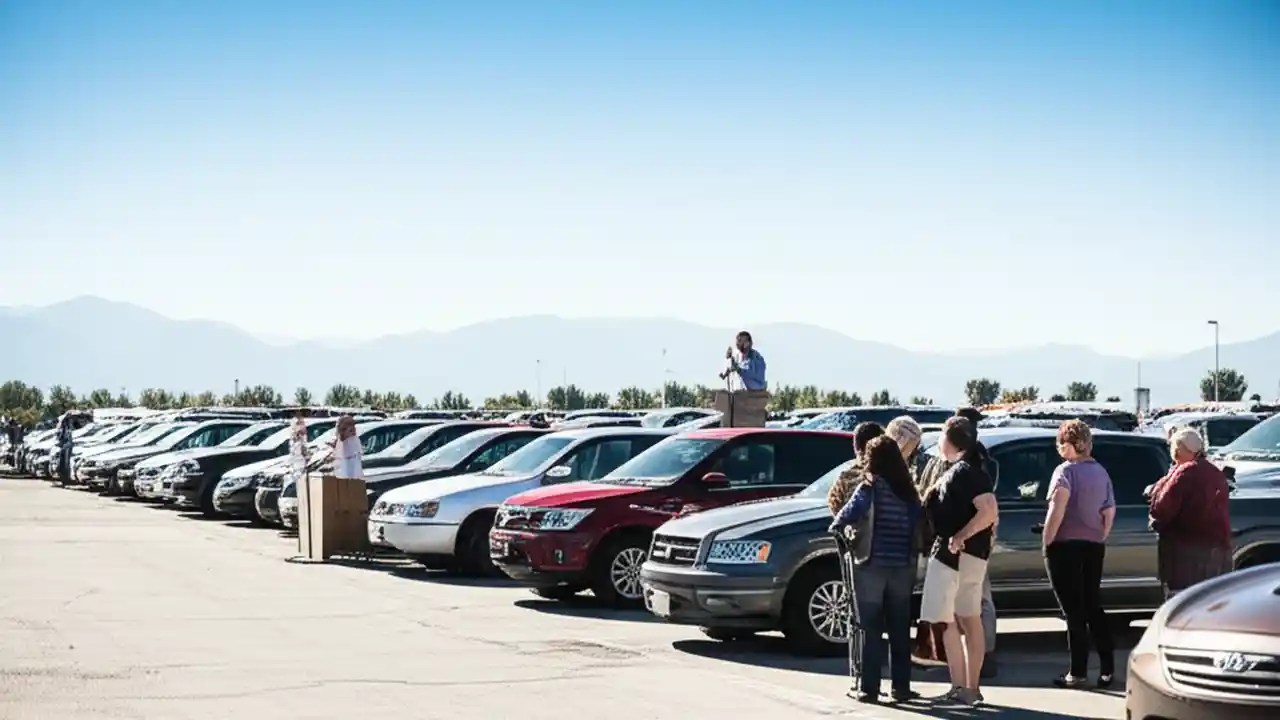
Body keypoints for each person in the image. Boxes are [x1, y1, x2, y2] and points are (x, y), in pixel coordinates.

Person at [830, 436, 923, 704]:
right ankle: (901, 687)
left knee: (870, 628)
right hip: (903, 566)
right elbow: (919, 523)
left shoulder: (868, 489)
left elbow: (841, 520)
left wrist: (850, 539)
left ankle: (869, 689)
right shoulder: (909, 492)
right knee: (899, 630)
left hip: (871, 565)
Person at [912, 408, 998, 677]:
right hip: (964, 555)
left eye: (941, 436)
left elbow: (989, 510)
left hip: (954, 556)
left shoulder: (964, 472)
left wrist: (961, 536)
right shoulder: (968, 467)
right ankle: (965, 686)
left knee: (949, 619)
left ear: (950, 440)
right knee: (965, 619)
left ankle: (964, 685)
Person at [1042, 420, 1116, 689]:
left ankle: (1078, 671)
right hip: (1093, 544)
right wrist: (1099, 536)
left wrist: (1047, 540)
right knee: (1093, 605)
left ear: (1068, 446)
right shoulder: (1101, 472)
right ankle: (1107, 667)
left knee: (1073, 611)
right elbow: (1108, 512)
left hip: (1065, 545)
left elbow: (1057, 509)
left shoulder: (1065, 472)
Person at [1148, 427, 1232, 598]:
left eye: (1175, 449)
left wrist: (1155, 519)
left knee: (1183, 600)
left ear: (1181, 449)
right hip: (1216, 550)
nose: (1174, 454)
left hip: (1187, 553)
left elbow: (1162, 508)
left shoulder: (1185, 473)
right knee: (1208, 598)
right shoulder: (1214, 472)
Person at [827, 422, 885, 516]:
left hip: (854, 528)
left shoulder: (845, 479)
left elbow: (834, 505)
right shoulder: (892, 475)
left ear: (855, 446)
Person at [331, 415, 363, 480]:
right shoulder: (342, 439)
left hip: (352, 462)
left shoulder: (354, 438)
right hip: (346, 464)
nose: (353, 427)